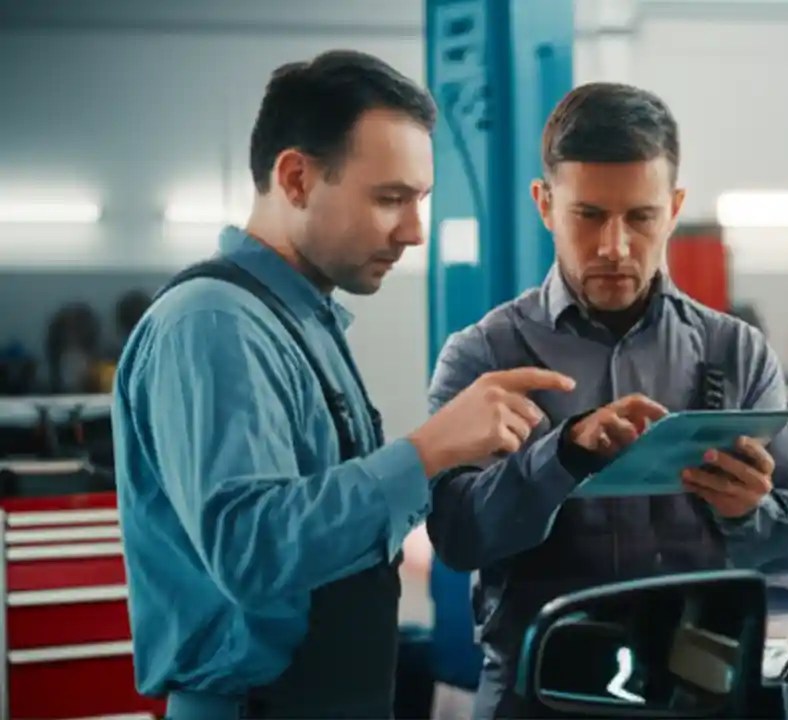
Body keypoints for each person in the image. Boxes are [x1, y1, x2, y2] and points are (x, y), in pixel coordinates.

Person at [111, 50, 575, 719]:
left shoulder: (301, 321)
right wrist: (429, 450)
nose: (415, 232)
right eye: (390, 199)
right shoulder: (215, 325)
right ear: (296, 178)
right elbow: (252, 551)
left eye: (419, 200)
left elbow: (325, 518)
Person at [425, 81, 788, 719]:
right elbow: (455, 535)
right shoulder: (484, 356)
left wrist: (751, 513)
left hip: (694, 695)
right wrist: (561, 457)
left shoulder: (736, 353)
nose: (615, 246)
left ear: (673, 208)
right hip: (534, 700)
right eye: (588, 215)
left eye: (640, 217)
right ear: (544, 203)